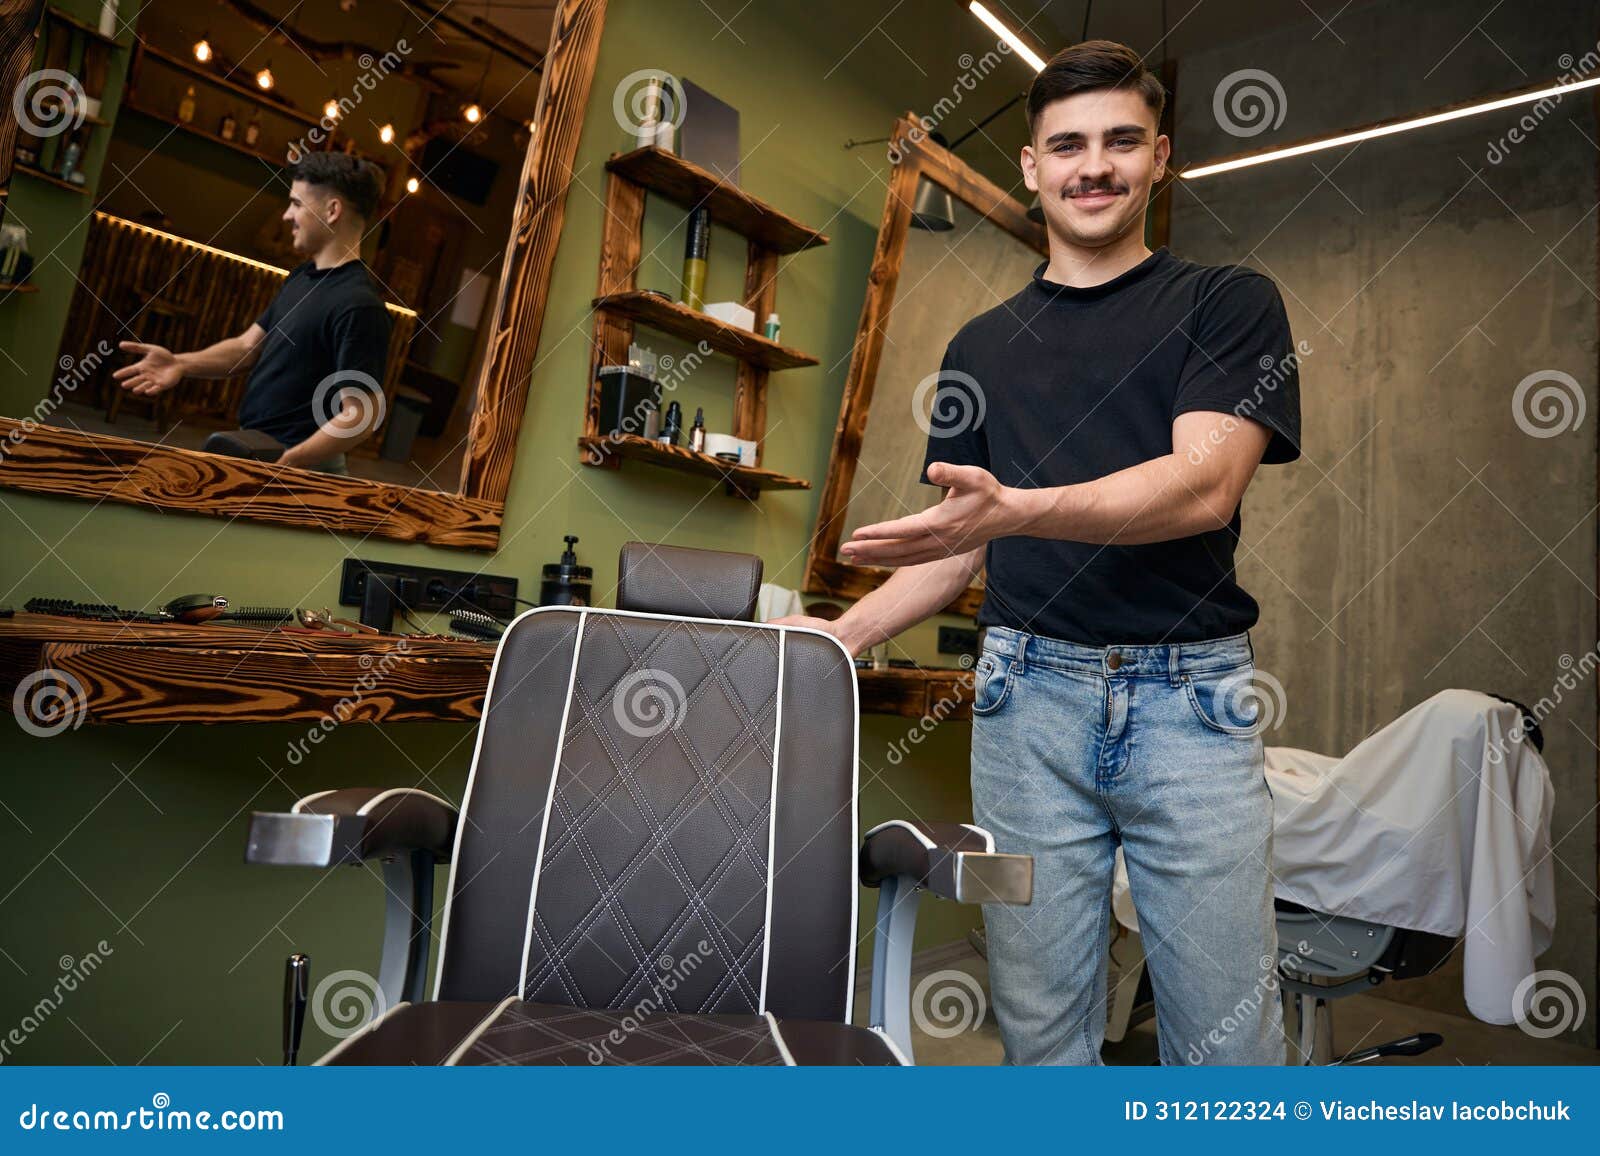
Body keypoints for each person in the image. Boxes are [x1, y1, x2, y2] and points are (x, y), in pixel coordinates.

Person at [778, 41, 1302, 1065]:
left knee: (1226, 1044)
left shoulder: (1228, 303)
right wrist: (836, 638)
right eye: (1066, 145)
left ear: (1159, 157)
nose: (1091, 166)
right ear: (1031, 167)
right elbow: (956, 549)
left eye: (1118, 142)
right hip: (1024, 704)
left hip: (1188, 702)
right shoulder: (978, 345)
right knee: (1040, 1034)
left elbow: (1203, 485)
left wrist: (1014, 510)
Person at [114, 153, 392, 474]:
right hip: (260, 451)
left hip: (304, 472)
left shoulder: (360, 304)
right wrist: (180, 363)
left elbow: (360, 416)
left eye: (297, 204)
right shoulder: (301, 277)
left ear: (332, 211)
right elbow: (247, 348)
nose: (287, 215)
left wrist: (293, 460)